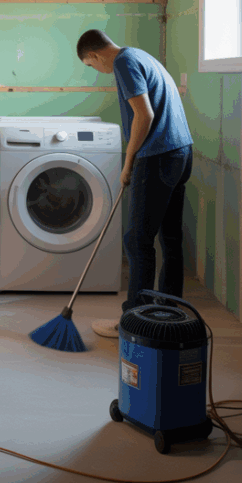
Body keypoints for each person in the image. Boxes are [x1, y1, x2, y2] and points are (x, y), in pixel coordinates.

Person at [75, 29, 194, 338]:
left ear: (97, 55)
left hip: (157, 156)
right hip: (181, 151)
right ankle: (169, 316)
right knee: (169, 240)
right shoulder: (141, 55)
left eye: (91, 65)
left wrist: (128, 161)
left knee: (137, 240)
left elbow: (143, 114)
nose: (96, 71)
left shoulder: (124, 64)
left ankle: (133, 323)